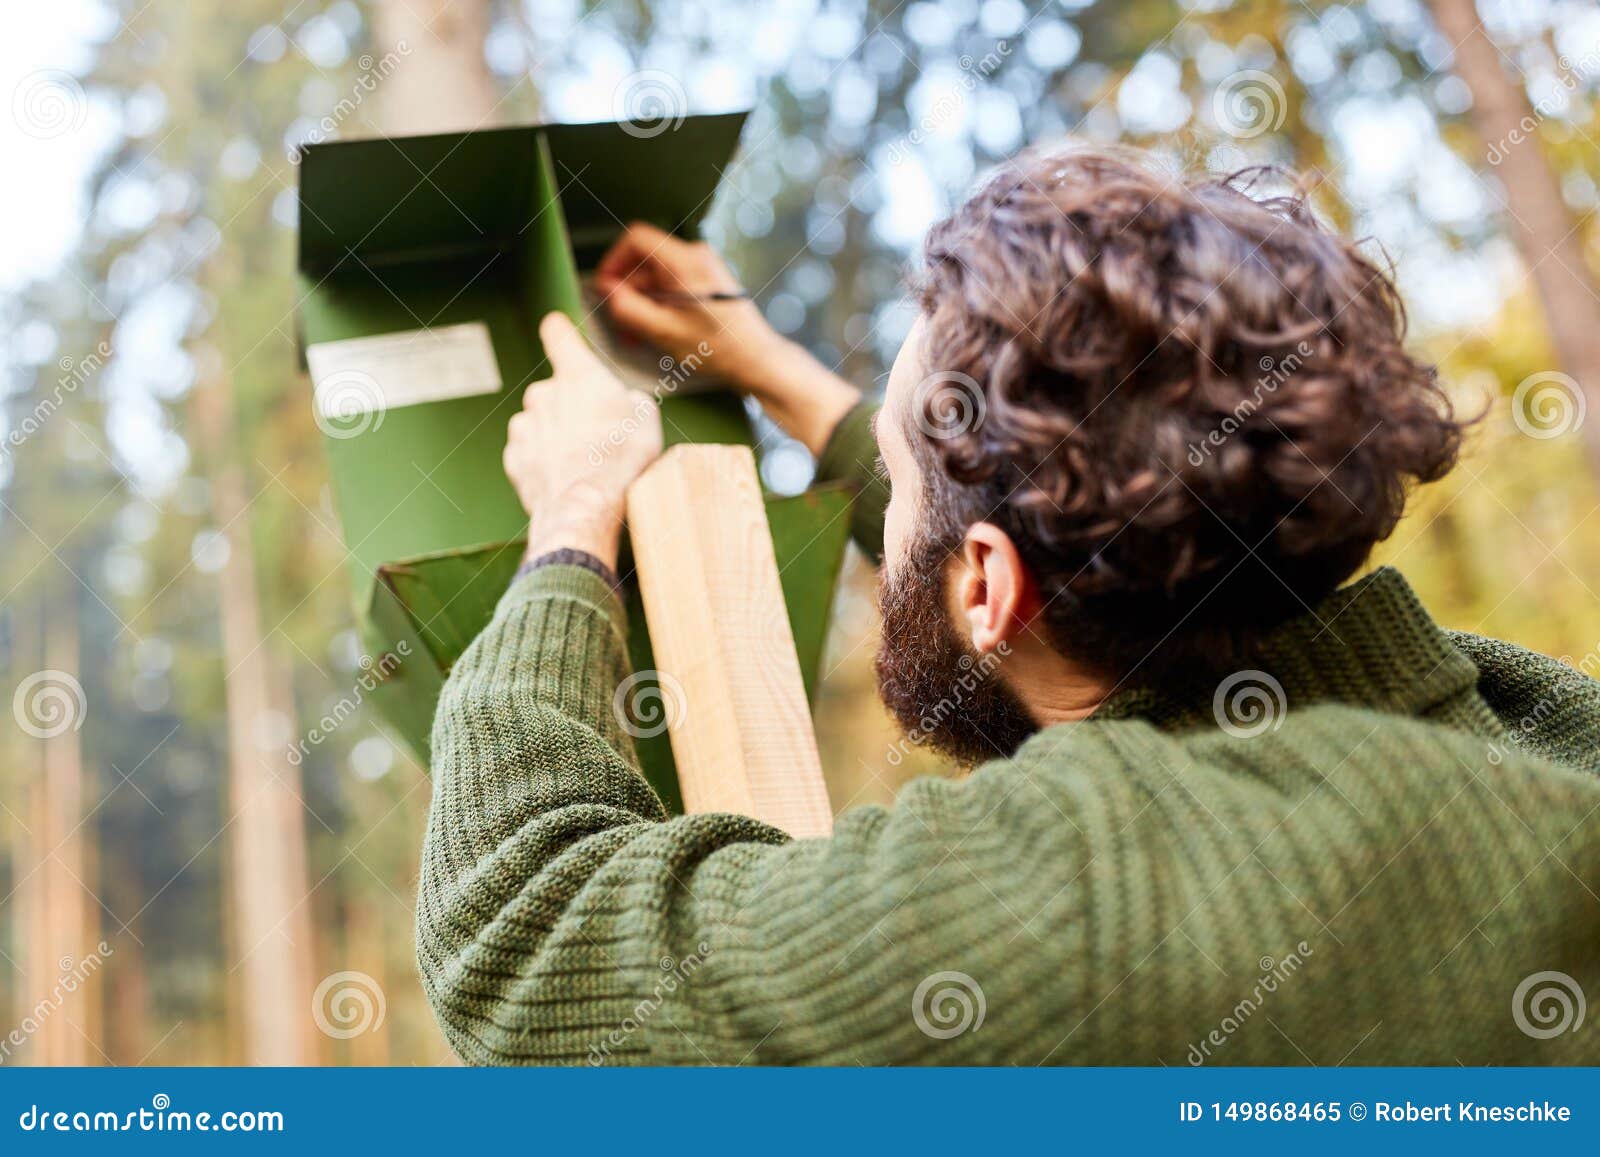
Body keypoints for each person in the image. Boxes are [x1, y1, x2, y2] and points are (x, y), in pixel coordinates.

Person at [415, 145, 1600, 1065]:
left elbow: (520, 935)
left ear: (984, 583)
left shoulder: (1083, 883)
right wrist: (771, 369)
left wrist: (572, 519)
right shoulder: (1542, 723)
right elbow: (1054, 552)